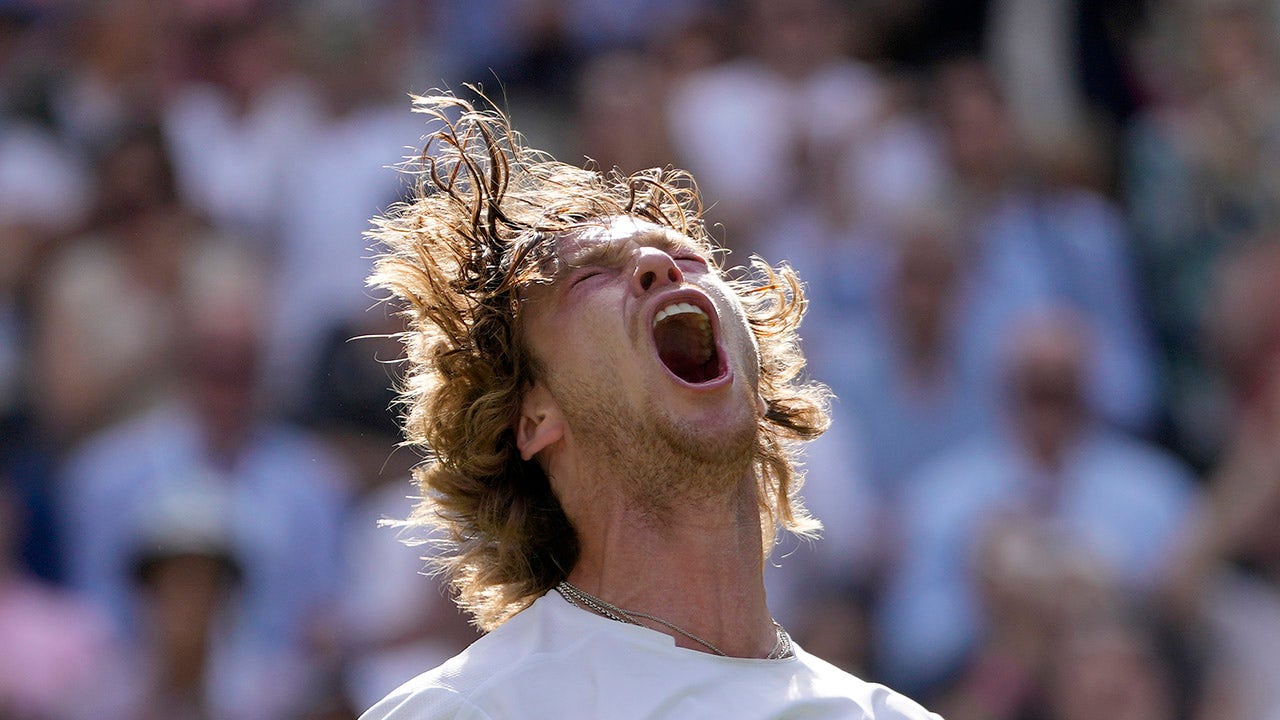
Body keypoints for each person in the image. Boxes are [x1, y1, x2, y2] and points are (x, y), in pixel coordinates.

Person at [358, 93, 940, 719]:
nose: (663, 264)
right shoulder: (463, 711)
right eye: (587, 276)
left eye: (691, 259)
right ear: (532, 418)